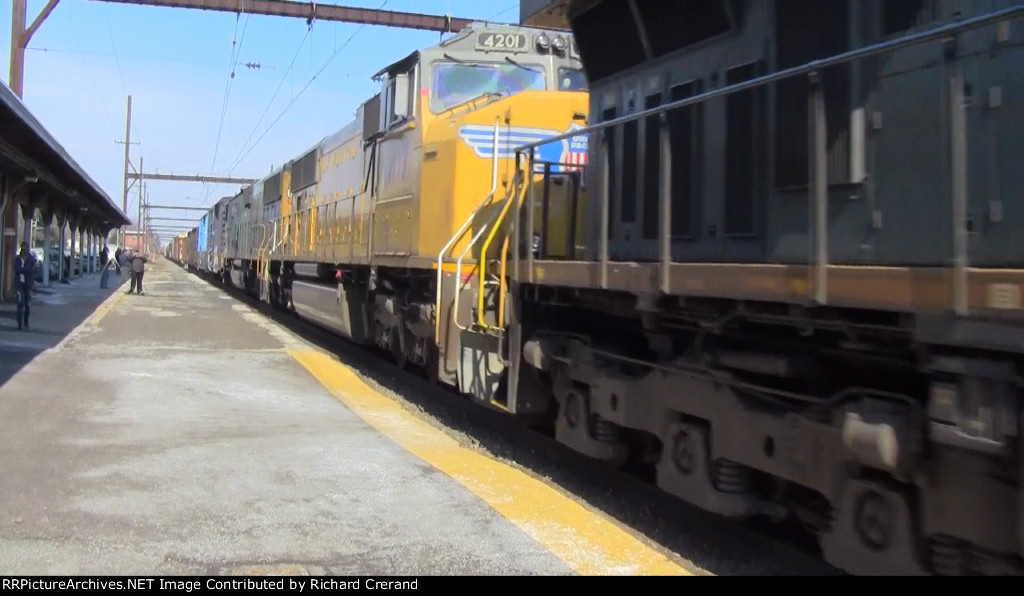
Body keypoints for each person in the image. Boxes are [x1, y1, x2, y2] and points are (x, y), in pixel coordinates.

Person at [13, 242, 37, 330]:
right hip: (19, 284)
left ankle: (26, 321)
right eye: (23, 249)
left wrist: (23, 270)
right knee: (19, 303)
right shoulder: (17, 259)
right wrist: (24, 270)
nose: (24, 251)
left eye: (26, 249)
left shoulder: (31, 259)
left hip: (28, 284)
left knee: (27, 304)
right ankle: (19, 322)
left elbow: (30, 269)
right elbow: (17, 269)